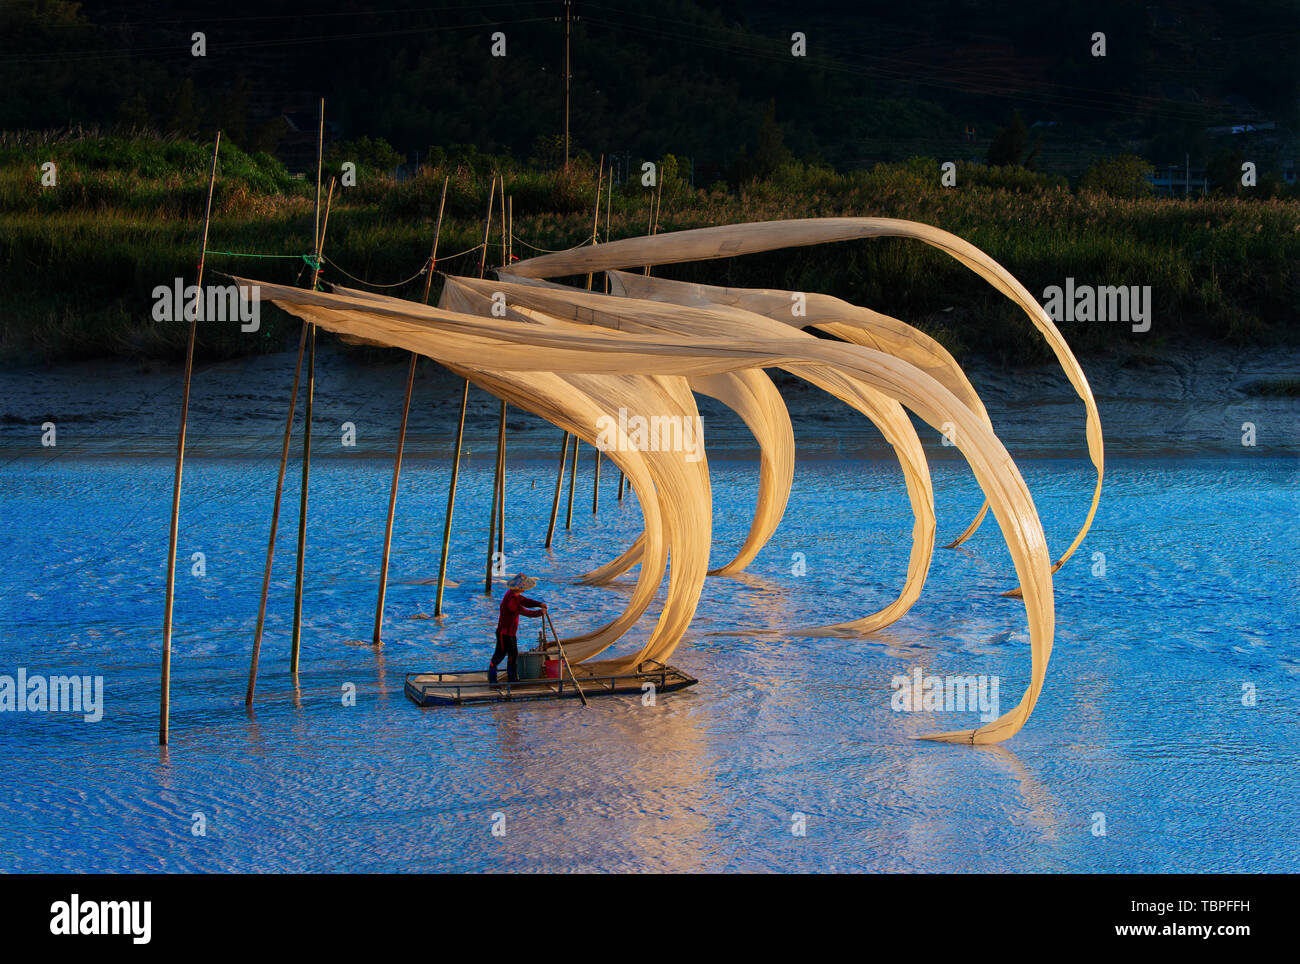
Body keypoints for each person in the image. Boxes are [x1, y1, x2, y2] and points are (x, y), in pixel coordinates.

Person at [488, 574, 547, 685]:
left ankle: (512, 678)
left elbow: (525, 601)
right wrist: (540, 613)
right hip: (503, 633)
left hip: (511, 633)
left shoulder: (515, 595)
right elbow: (523, 611)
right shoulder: (511, 599)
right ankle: (492, 680)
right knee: (499, 655)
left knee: (513, 654)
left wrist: (539, 604)